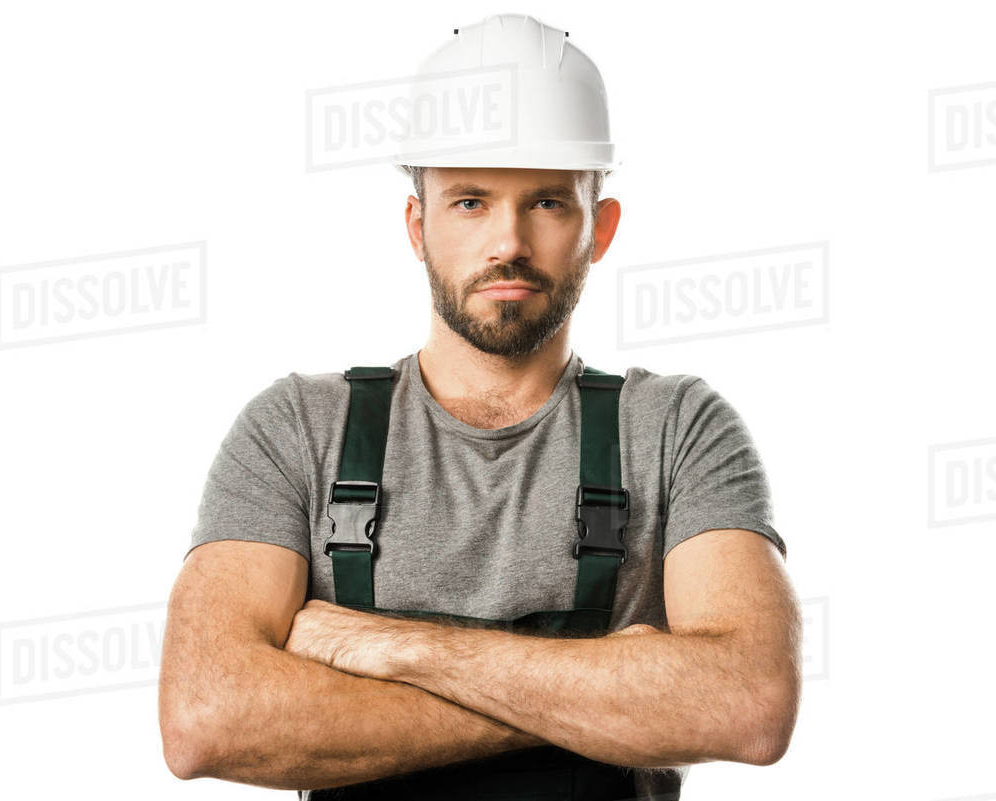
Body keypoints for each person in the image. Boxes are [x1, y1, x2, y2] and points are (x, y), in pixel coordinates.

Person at [159, 13, 801, 801]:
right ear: (417, 224)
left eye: (547, 203)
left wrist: (389, 649)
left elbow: (749, 704)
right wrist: (613, 688)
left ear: (600, 227)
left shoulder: (676, 428)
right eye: (469, 201)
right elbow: (204, 718)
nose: (508, 242)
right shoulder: (296, 428)